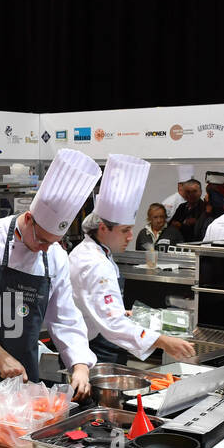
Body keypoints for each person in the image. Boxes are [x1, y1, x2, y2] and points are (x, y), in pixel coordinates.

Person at [0, 148, 99, 398]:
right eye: (43, 240)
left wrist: (79, 366)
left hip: (24, 373)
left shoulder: (54, 254)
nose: (46, 248)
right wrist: (1, 357)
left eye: (54, 242)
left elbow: (65, 317)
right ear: (29, 218)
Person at [71, 155, 197, 365]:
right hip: (94, 348)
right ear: (103, 228)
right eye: (125, 231)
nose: (130, 236)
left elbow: (101, 307)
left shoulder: (94, 251)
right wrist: (164, 342)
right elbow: (113, 323)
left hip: (98, 338)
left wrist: (122, 313)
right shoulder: (94, 263)